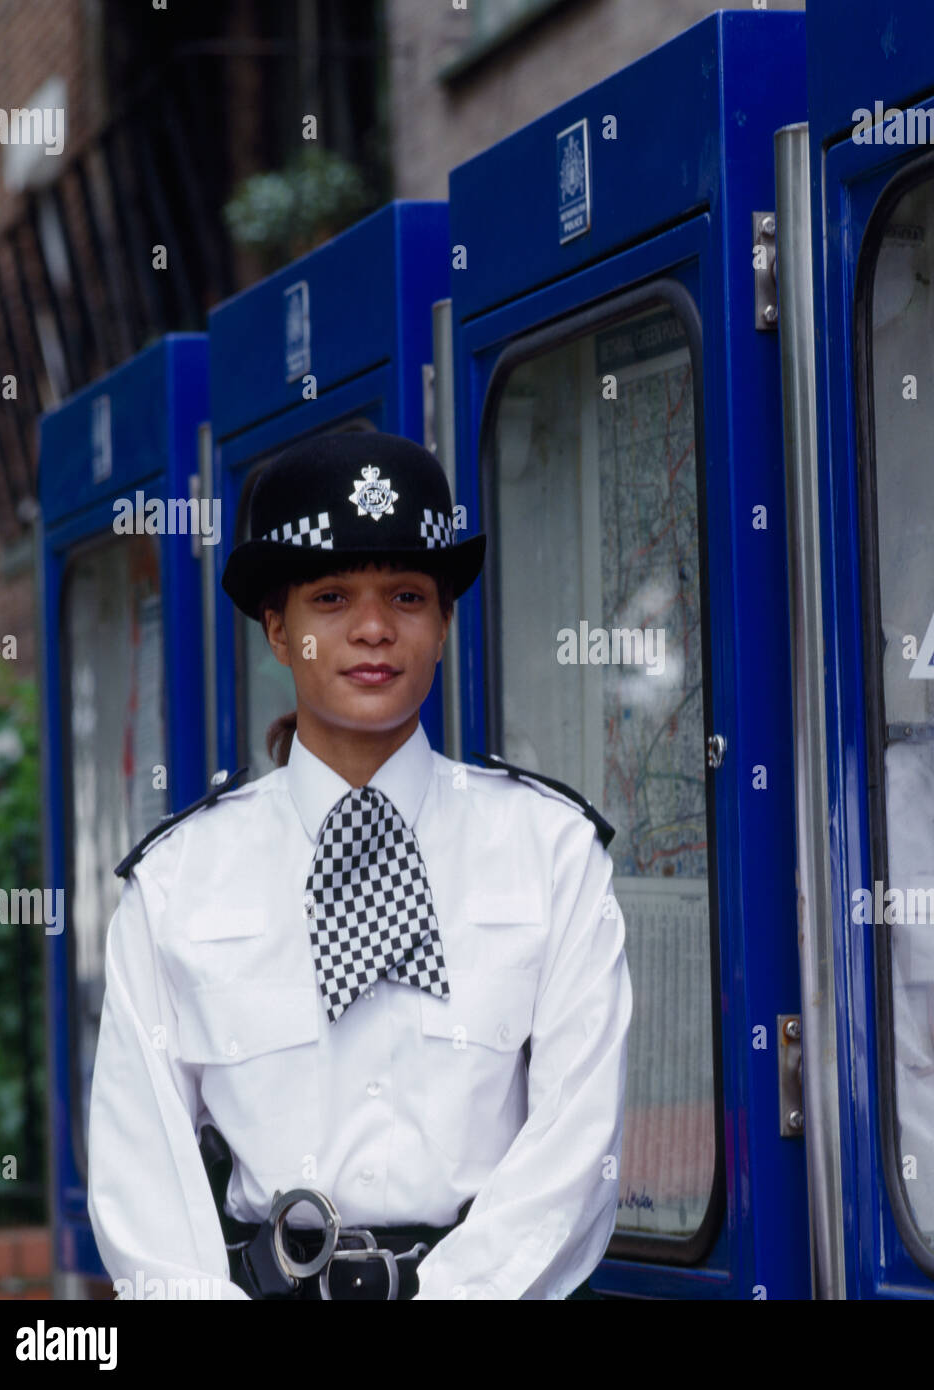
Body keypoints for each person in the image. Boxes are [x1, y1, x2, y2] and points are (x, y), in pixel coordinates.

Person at [87, 431, 633, 1300]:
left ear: (446, 624)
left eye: (409, 595)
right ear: (277, 628)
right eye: (333, 596)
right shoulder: (179, 881)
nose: (374, 629)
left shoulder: (551, 854)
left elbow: (577, 1146)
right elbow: (139, 1178)